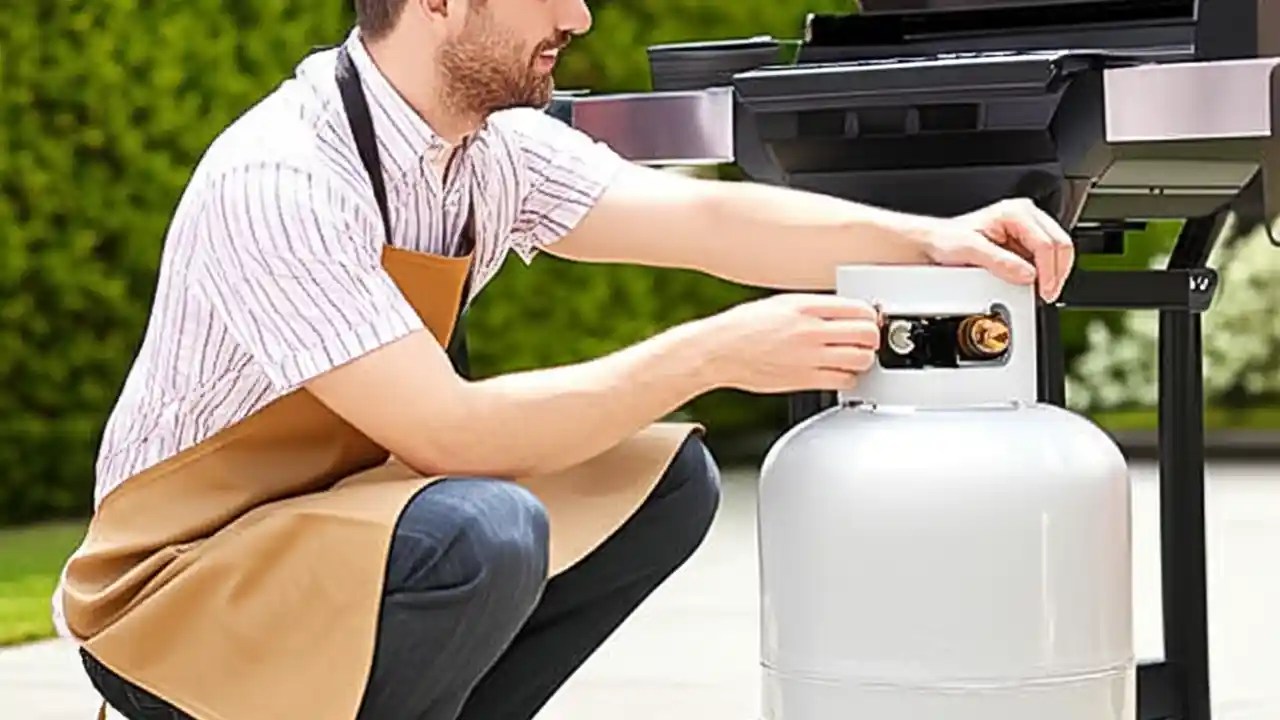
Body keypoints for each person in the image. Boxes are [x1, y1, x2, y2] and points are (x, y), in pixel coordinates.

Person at [55, 1, 1075, 719]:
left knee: (662, 481)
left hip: (325, 519)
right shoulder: (284, 178)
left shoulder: (486, 149)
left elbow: (705, 218)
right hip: (175, 591)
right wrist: (711, 350)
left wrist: (930, 240)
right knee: (481, 531)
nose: (581, 16)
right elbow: (445, 433)